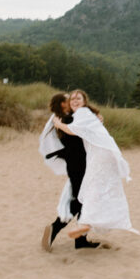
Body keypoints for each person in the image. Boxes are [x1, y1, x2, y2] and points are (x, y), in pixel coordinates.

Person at [51, 89, 139, 239]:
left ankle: (79, 226)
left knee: (88, 191)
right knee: (93, 189)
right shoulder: (84, 115)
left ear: (85, 101)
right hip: (100, 155)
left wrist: (58, 124)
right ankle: (84, 228)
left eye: (78, 98)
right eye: (72, 99)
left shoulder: (82, 114)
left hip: (97, 156)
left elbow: (74, 131)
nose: (74, 101)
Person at [39, 93, 102, 250]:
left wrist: (97, 116)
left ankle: (80, 240)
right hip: (79, 165)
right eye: (68, 100)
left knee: (82, 200)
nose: (71, 101)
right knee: (80, 201)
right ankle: (56, 227)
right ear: (62, 104)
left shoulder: (66, 118)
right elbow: (80, 131)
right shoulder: (66, 120)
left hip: (78, 164)